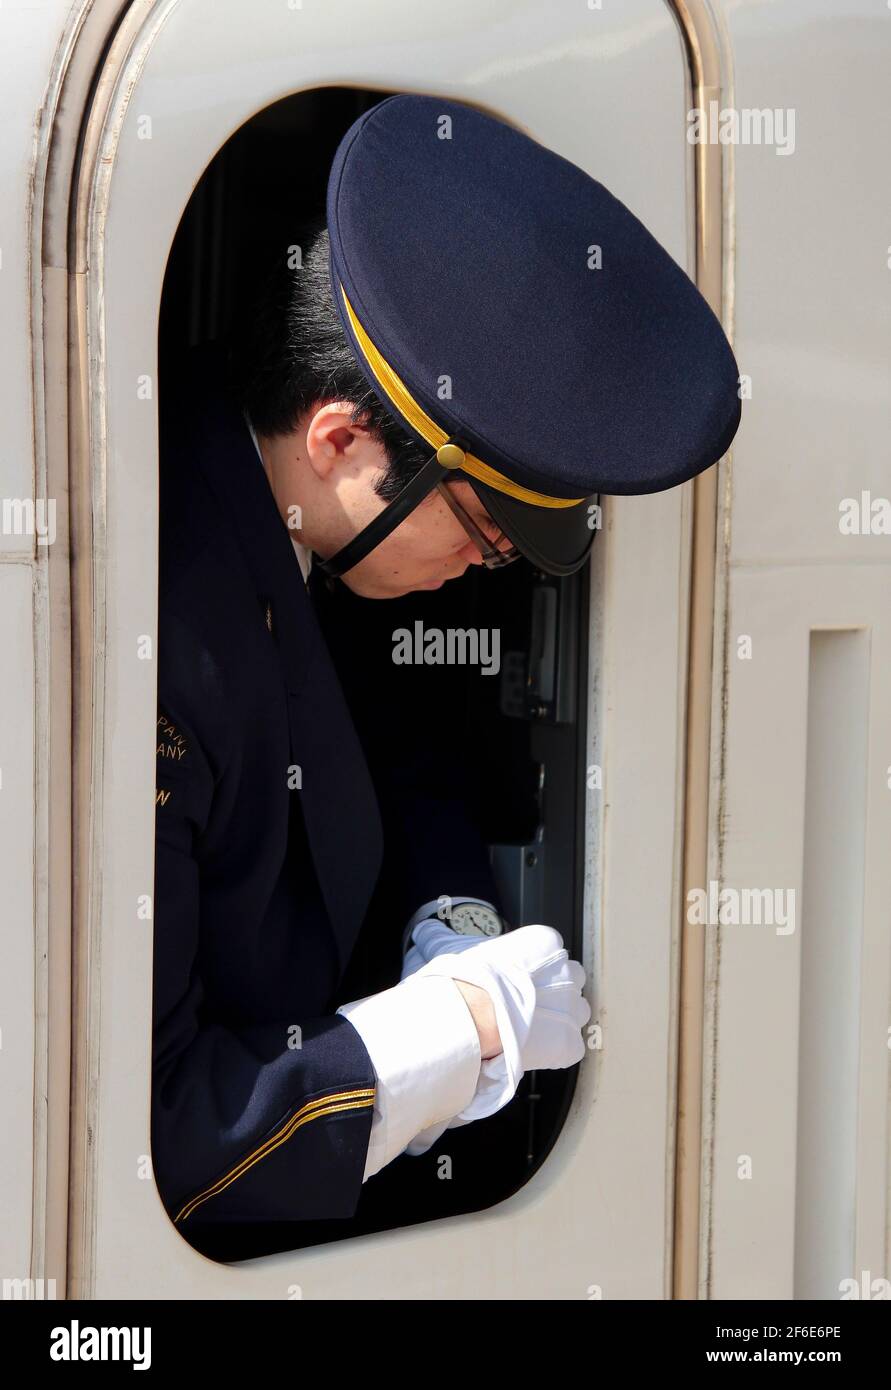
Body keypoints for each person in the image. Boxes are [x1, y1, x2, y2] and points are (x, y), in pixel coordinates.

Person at [151, 93, 742, 1245]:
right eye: (481, 529)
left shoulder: (311, 526)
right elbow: (179, 1146)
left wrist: (451, 910)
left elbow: (392, 729)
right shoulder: (170, 640)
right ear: (340, 441)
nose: (486, 565)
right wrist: (458, 1031)